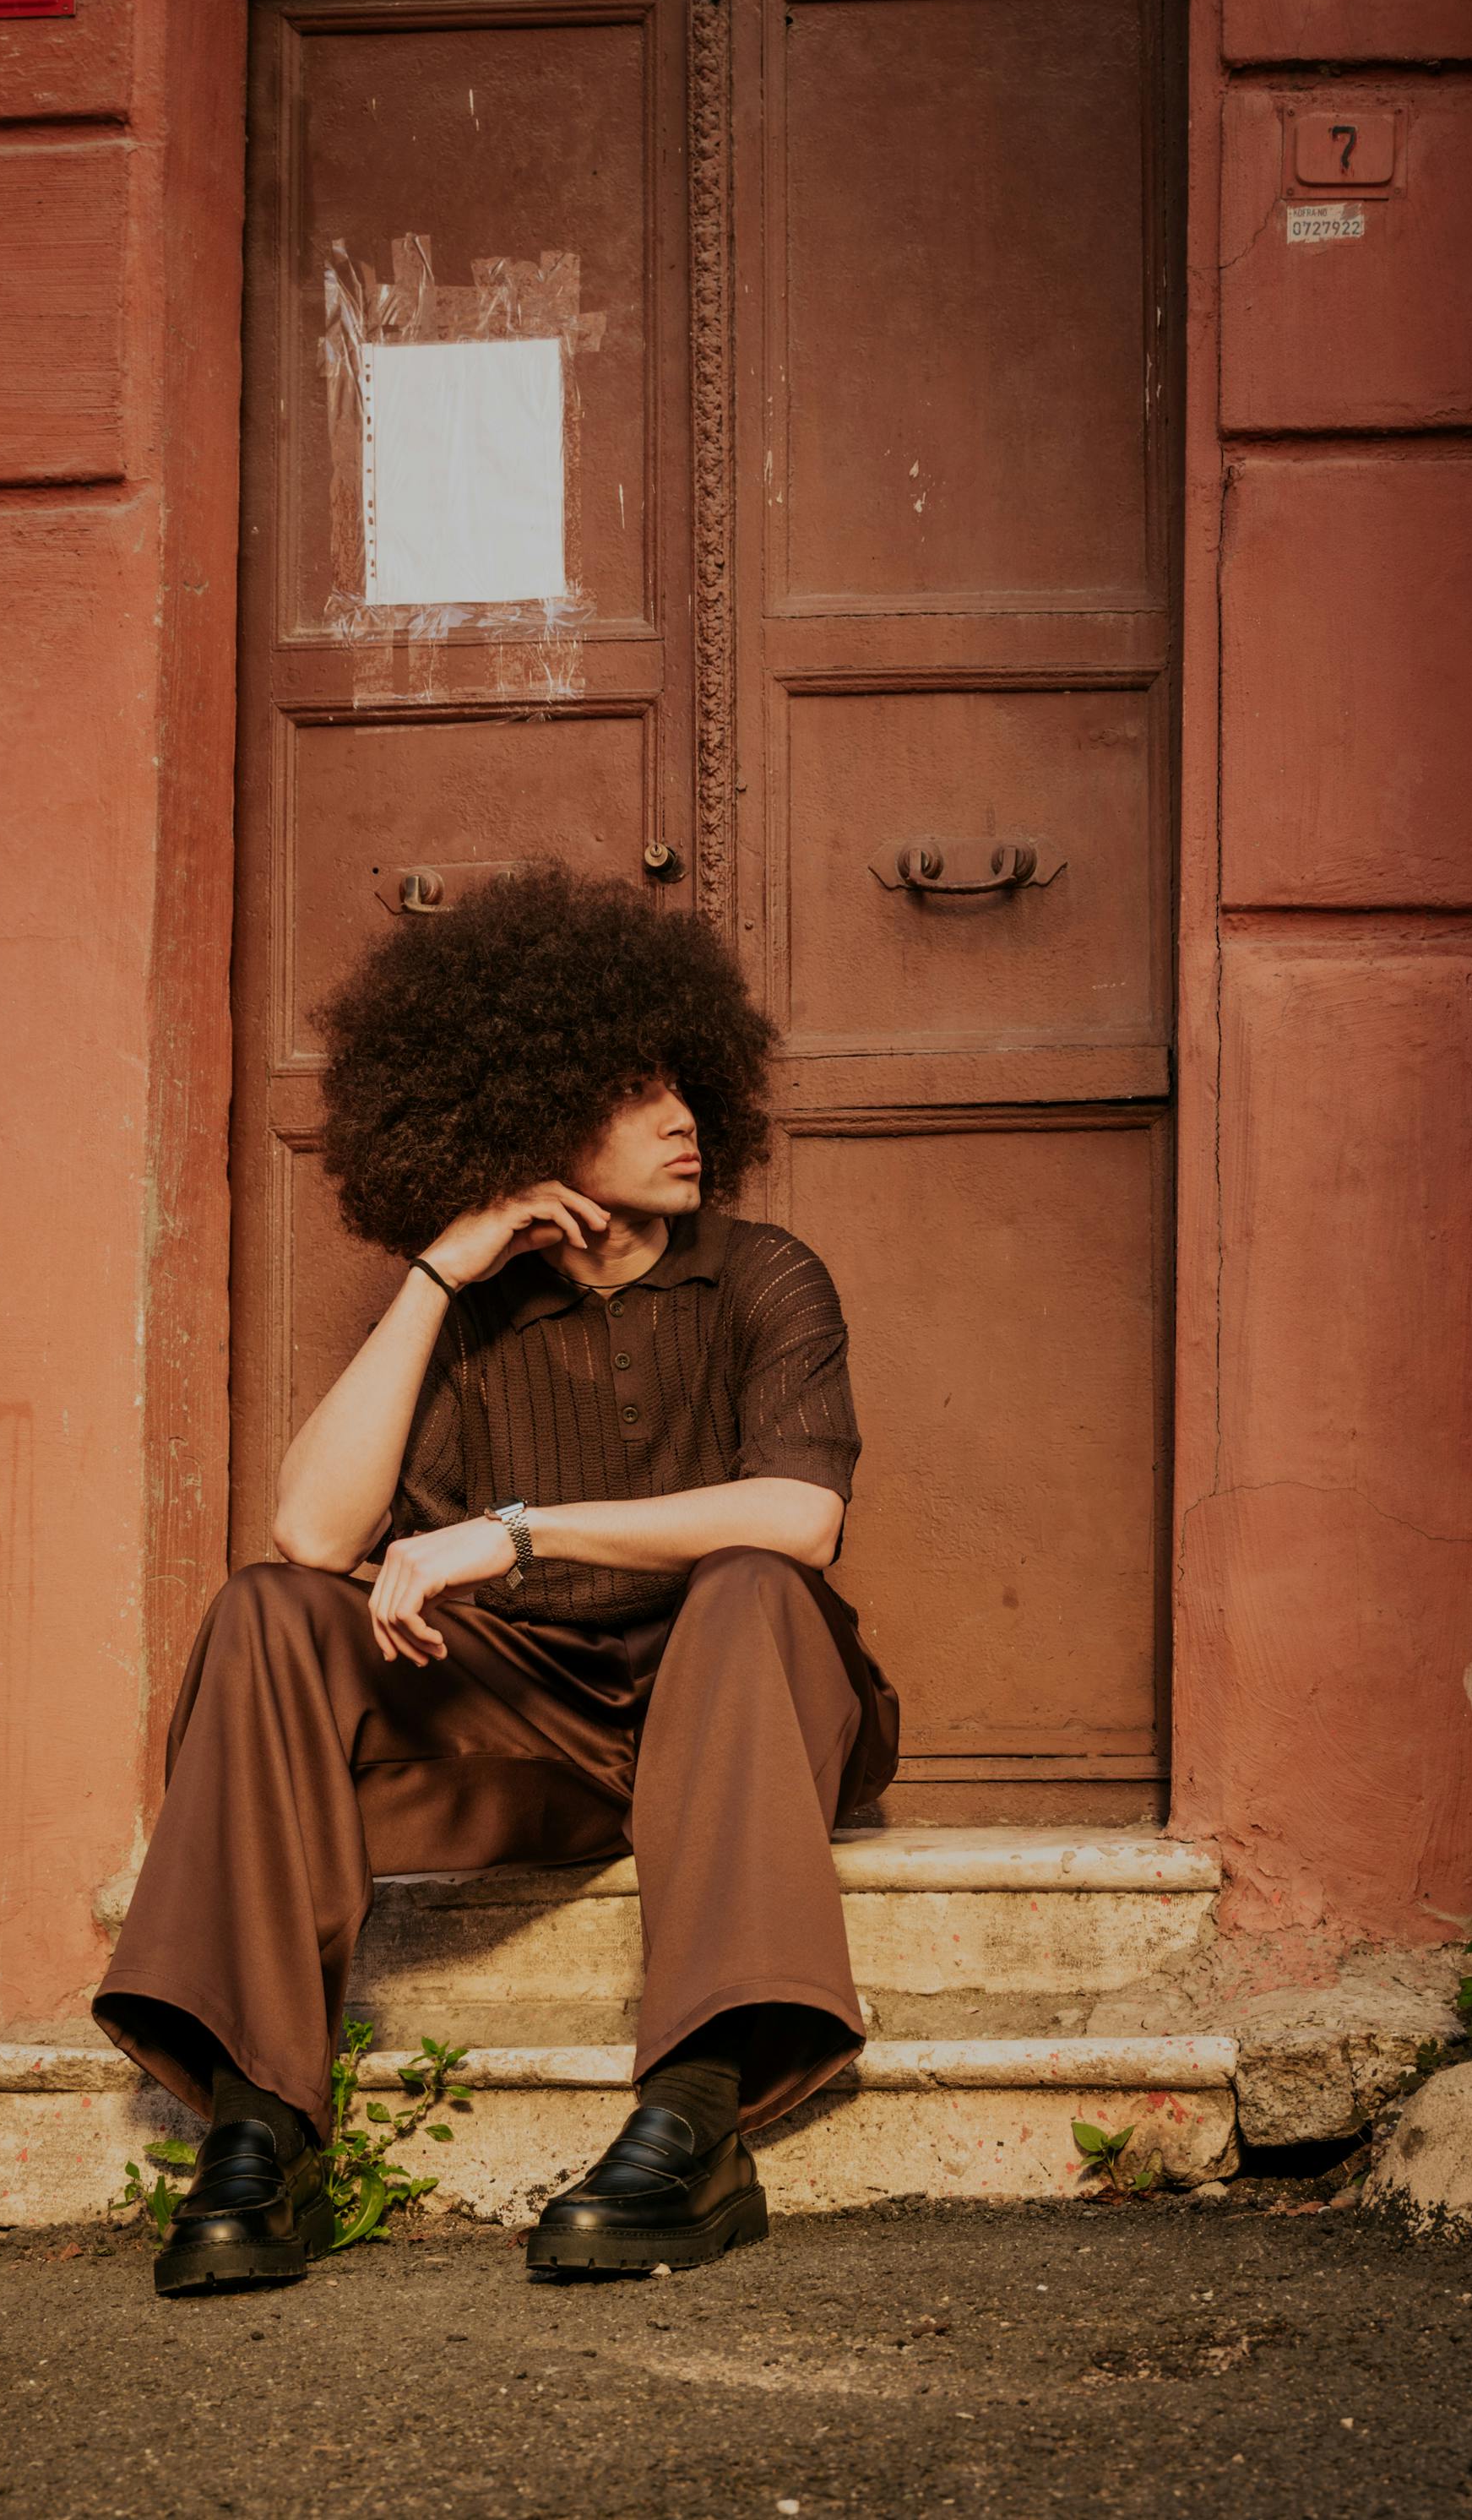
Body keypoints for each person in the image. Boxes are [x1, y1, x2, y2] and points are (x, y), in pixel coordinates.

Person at [95, 865, 898, 2295]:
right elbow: (311, 1535)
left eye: (683, 1082)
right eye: (630, 1091)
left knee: (748, 1584)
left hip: (736, 1716)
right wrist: (439, 1273)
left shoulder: (766, 1277)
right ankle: (262, 2125)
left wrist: (517, 1533)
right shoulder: (470, 1321)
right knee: (267, 1610)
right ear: (523, 1115)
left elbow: (801, 1517)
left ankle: (697, 2117)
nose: (681, 1117)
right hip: (545, 1737)